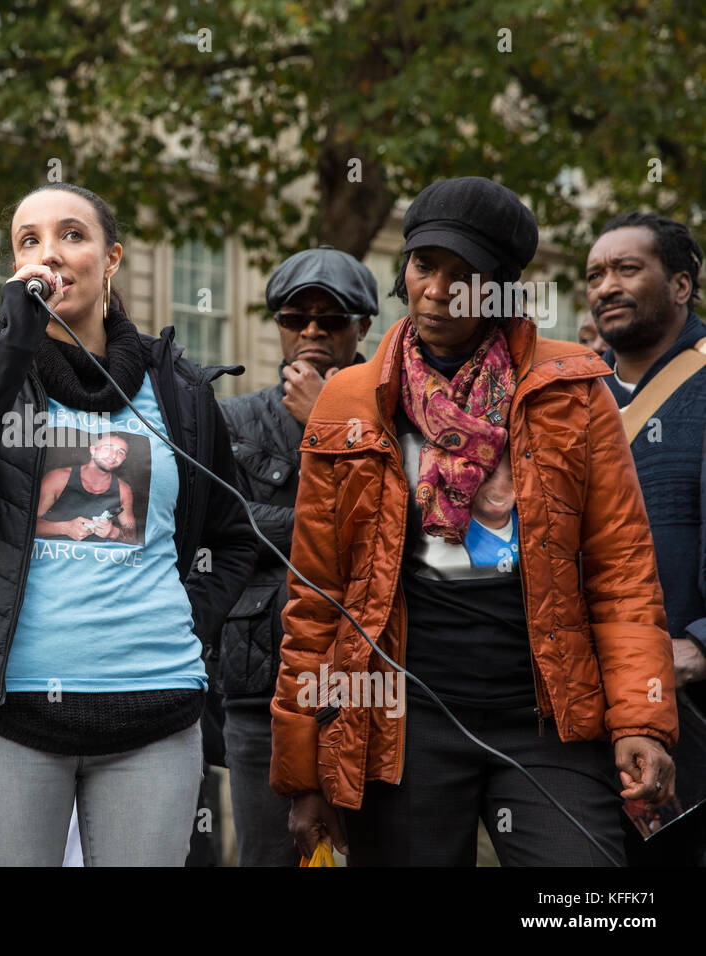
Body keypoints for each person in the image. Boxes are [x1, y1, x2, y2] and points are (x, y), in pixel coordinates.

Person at [274, 176, 678, 867]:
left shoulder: (573, 388)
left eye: (464, 275)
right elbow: (316, 592)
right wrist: (303, 769)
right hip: (405, 722)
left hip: (546, 718)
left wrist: (642, 718)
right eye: (424, 265)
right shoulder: (349, 398)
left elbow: (622, 569)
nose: (436, 289)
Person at [0, 182, 255, 866]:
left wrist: (187, 620)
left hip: (156, 715)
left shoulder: (180, 392)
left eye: (72, 235)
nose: (51, 255)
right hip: (8, 717)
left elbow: (234, 537)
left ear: (113, 258)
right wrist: (13, 342)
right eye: (28, 242)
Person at [217, 245, 377, 867]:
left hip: (375, 686)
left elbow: (400, 527)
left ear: (364, 327)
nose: (311, 330)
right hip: (264, 689)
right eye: (295, 317)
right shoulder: (232, 418)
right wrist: (327, 527)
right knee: (272, 854)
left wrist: (327, 424)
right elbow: (226, 525)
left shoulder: (395, 415)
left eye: (331, 318)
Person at [587, 212, 706, 865]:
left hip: (692, 707)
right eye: (595, 274)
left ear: (682, 284)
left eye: (627, 268)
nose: (607, 286)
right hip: (587, 713)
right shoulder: (573, 393)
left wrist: (702, 645)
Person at [36, 434, 137, 543]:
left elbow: (132, 537)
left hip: (97, 558)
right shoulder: (58, 478)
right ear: (93, 450)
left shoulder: (123, 490)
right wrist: (65, 528)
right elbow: (25, 524)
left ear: (124, 459)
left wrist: (113, 532)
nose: (113, 456)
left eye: (120, 452)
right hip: (54, 557)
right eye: (107, 448)